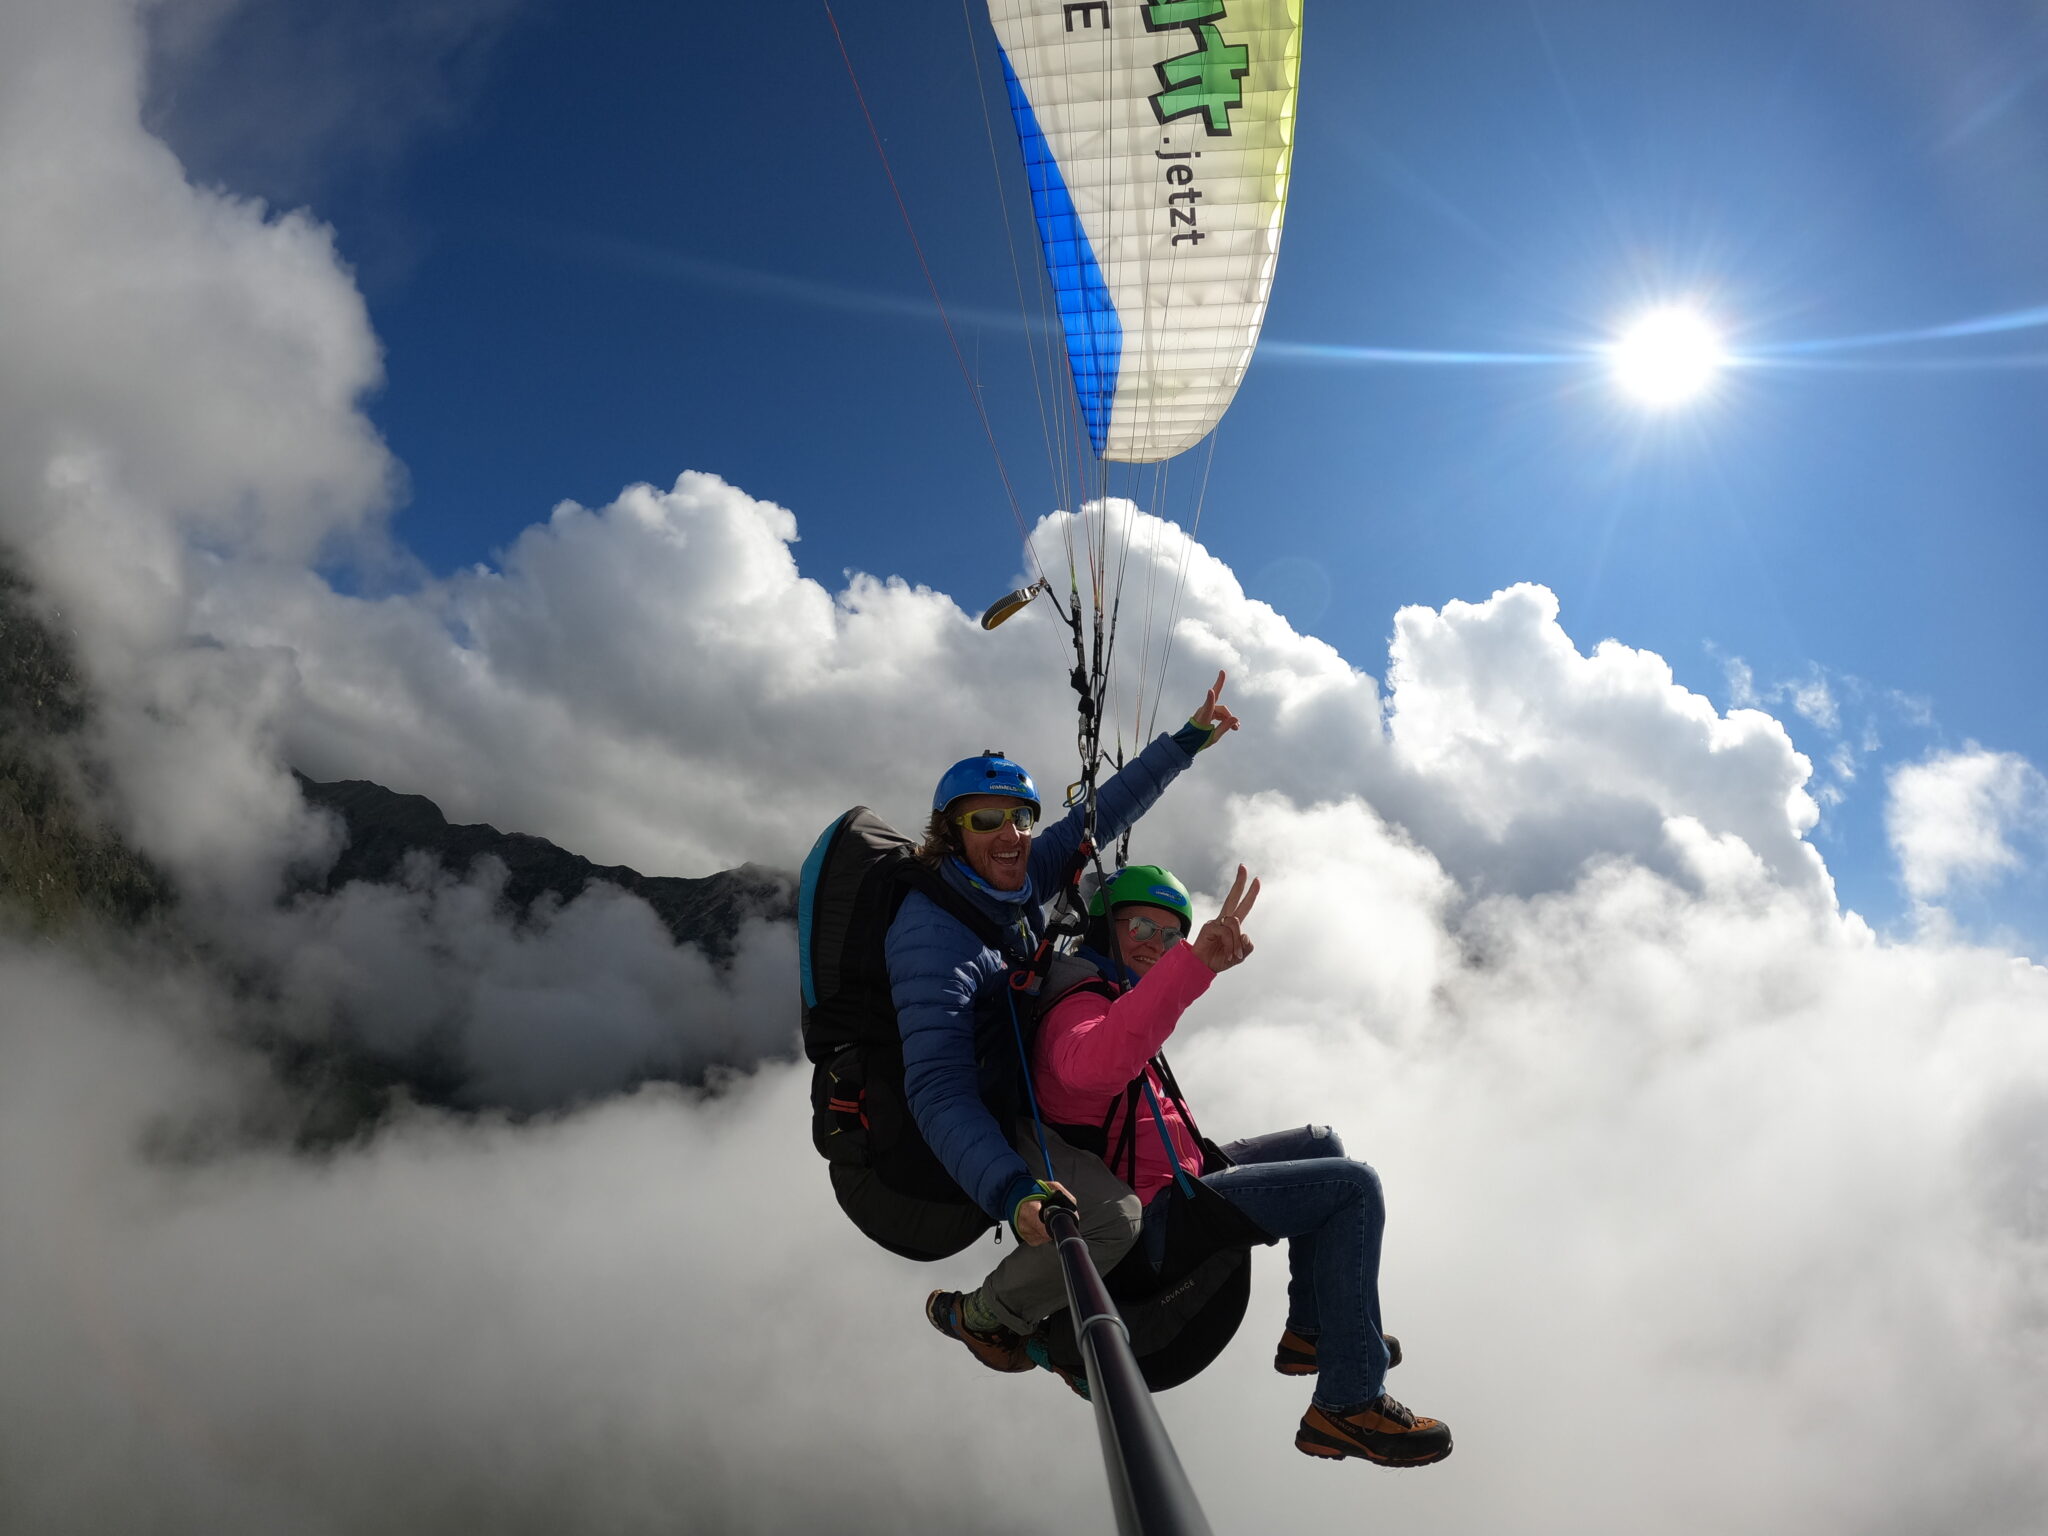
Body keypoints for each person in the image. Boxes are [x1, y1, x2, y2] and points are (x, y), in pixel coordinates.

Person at [1030, 862, 1454, 1468]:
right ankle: (1347, 1402)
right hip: (1147, 1228)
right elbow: (1091, 1066)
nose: (1156, 944)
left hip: (1176, 1178)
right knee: (1352, 1189)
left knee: (1320, 1143)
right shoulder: (1076, 1002)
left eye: (1171, 935)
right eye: (1140, 927)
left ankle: (1313, 1332)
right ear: (1103, 929)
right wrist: (1192, 964)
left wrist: (1185, 965)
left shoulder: (1110, 991)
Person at [894, 673, 1240, 1374]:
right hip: (992, 1109)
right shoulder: (933, 940)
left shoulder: (1012, 881)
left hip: (1033, 1074)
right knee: (1109, 1217)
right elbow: (938, 1088)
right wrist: (1009, 1190)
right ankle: (988, 1317)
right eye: (984, 821)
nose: (1010, 834)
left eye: (1019, 816)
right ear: (951, 834)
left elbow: (1099, 818)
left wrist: (1189, 740)